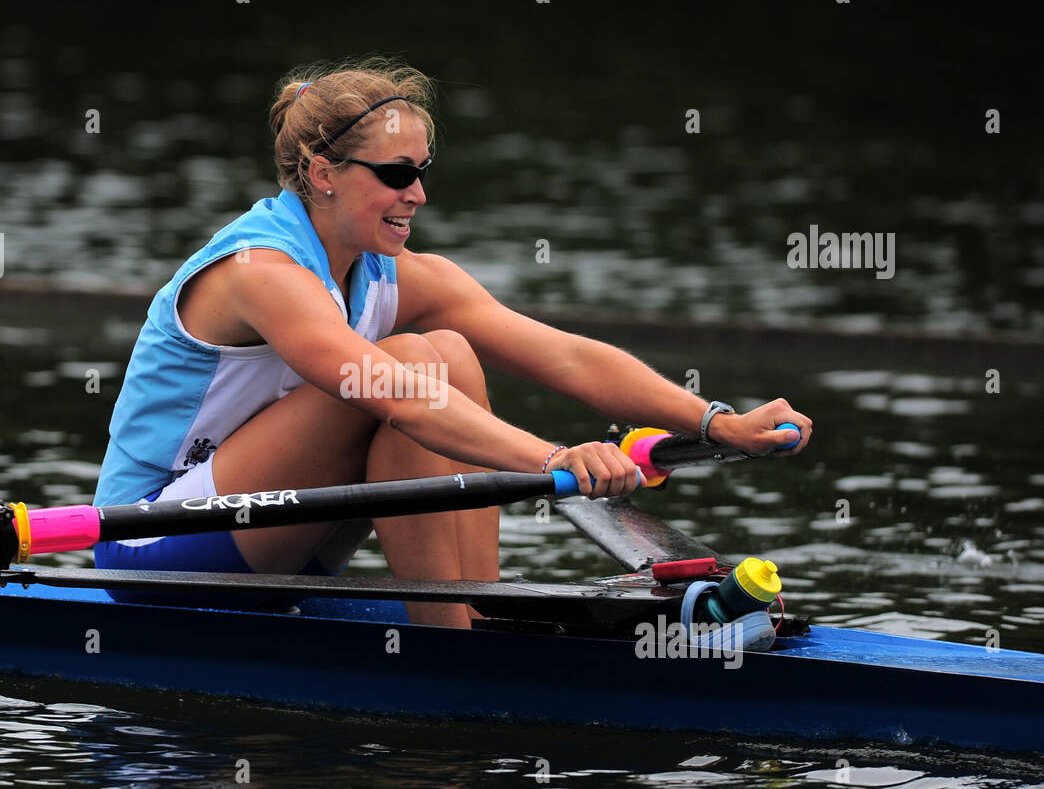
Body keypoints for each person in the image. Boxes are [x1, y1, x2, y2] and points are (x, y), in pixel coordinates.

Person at [94, 58, 812, 627]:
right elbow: (393, 397)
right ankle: (453, 641)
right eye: (397, 175)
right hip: (152, 549)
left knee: (450, 352)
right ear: (322, 175)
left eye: (424, 172)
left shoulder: (392, 274)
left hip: (276, 547)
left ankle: (471, 616)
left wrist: (717, 421)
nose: (418, 195)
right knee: (407, 366)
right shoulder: (261, 272)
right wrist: (557, 459)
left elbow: (566, 356)